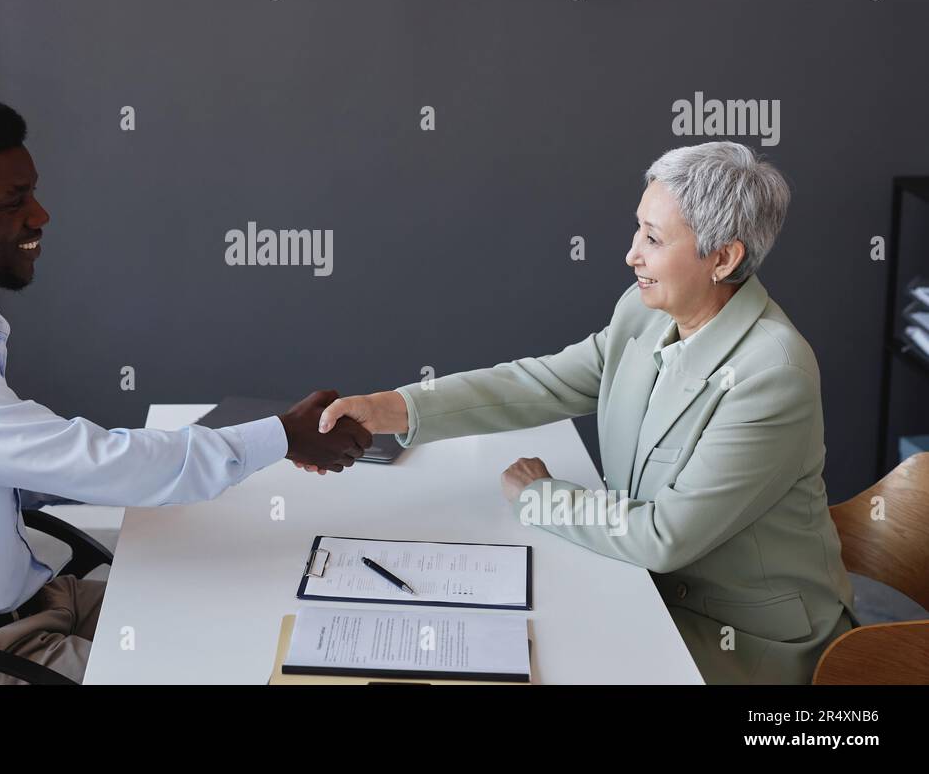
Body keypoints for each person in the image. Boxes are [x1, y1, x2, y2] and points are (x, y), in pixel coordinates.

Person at [0, 92, 369, 684]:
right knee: (231, 672)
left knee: (254, 611)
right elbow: (95, 462)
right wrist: (282, 436)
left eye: (33, 192)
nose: (40, 215)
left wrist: (278, 439)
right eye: (15, 202)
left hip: (36, 602)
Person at [316, 141, 858, 684]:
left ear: (723, 258)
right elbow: (540, 384)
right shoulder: (643, 313)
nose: (631, 255)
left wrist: (539, 496)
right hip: (640, 585)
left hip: (742, 640)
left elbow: (664, 535)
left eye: (653, 238)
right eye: (638, 229)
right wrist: (391, 408)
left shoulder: (773, 372)